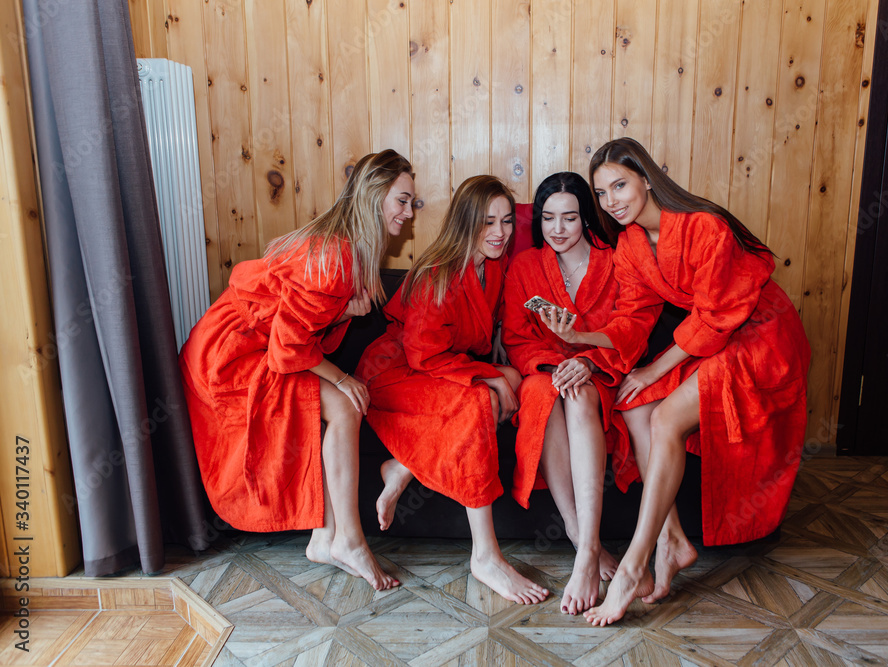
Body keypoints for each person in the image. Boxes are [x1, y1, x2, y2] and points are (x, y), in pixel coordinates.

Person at [541, 138, 810, 625]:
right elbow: (632, 319)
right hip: (714, 340)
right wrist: (578, 333)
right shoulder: (630, 246)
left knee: (661, 409)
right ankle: (674, 540)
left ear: (647, 178)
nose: (612, 201)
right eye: (601, 194)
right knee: (636, 404)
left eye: (619, 185)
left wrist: (652, 369)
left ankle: (632, 566)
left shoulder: (704, 227)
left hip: (758, 337)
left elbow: (716, 316)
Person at [179, 149, 415, 591]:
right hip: (231, 355)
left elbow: (301, 330)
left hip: (258, 345)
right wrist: (343, 377)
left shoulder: (346, 249)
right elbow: (289, 350)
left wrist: (344, 316)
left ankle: (327, 538)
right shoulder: (338, 254)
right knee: (346, 403)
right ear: (375, 195)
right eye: (401, 200)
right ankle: (345, 539)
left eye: (411, 203)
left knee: (345, 405)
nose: (408, 212)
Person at [356, 175, 549, 605]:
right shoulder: (436, 273)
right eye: (487, 223)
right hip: (397, 373)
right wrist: (492, 377)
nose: (499, 233)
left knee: (505, 384)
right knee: (479, 398)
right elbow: (424, 355)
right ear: (465, 223)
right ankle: (485, 555)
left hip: (440, 370)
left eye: (505, 222)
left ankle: (402, 466)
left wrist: (508, 366)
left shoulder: (495, 265)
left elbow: (507, 318)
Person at [501, 172, 639, 615]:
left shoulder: (615, 261)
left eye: (570, 218)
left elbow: (627, 329)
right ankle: (583, 540)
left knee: (578, 395)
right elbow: (517, 339)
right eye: (547, 218)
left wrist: (586, 358)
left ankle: (587, 545)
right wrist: (553, 363)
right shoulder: (525, 267)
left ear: (587, 218)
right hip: (544, 368)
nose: (558, 229)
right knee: (543, 394)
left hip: (598, 370)